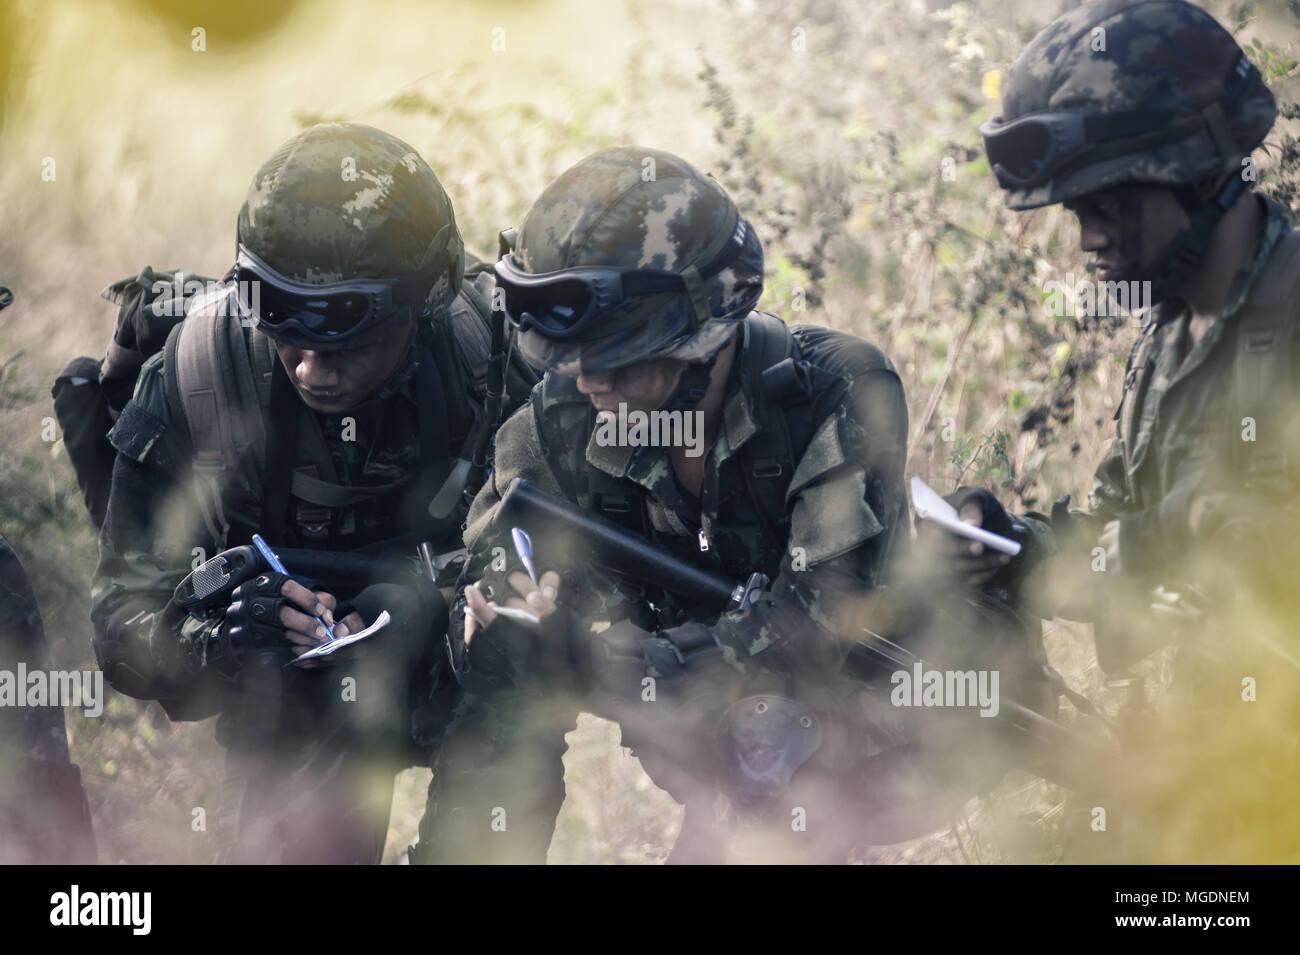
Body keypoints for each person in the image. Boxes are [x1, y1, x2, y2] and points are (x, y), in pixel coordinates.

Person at [412, 145, 941, 864]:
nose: (588, 377)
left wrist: (592, 657)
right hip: (687, 724)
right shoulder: (562, 419)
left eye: (618, 351)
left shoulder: (832, 391)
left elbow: (817, 628)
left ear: (701, 330)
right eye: (569, 350)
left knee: (772, 729)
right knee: (504, 690)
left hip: (876, 732)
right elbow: (479, 577)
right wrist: (493, 622)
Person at [90, 122, 533, 863]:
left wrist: (458, 604)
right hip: (294, 702)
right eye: (287, 328)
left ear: (420, 309)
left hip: (453, 671)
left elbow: (563, 561)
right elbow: (118, 623)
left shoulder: (487, 360)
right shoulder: (202, 373)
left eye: (347, 337)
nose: (309, 368)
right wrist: (223, 634)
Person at [932, 0, 1300, 861]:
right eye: (1075, 212)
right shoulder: (1167, 338)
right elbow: (1116, 527)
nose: (1089, 239)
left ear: (1194, 170)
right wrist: (1004, 545)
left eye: (1111, 205)